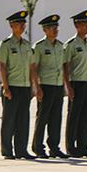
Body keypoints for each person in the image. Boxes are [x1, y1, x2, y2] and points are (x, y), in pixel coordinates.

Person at [0, 10, 35, 159]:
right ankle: (7, 150)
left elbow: (32, 67)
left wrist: (33, 86)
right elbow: (2, 66)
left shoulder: (27, 45)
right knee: (9, 120)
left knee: (23, 120)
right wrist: (5, 87)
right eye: (19, 23)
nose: (22, 26)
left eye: (23, 23)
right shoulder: (6, 44)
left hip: (25, 87)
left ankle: (22, 150)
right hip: (11, 86)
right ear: (11, 25)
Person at [30, 15, 67, 158]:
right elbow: (34, 67)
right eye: (52, 28)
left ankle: (54, 147)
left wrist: (64, 85)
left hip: (58, 85)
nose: (55, 30)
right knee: (43, 118)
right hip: (45, 85)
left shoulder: (60, 46)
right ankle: (38, 147)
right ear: (45, 30)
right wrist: (36, 87)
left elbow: (63, 66)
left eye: (56, 27)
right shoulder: (39, 47)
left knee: (56, 118)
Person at [63, 10, 87, 158]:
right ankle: (71, 147)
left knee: (86, 116)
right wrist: (68, 86)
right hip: (76, 83)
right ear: (77, 26)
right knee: (74, 116)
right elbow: (65, 66)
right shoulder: (70, 44)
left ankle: (83, 146)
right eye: (84, 24)